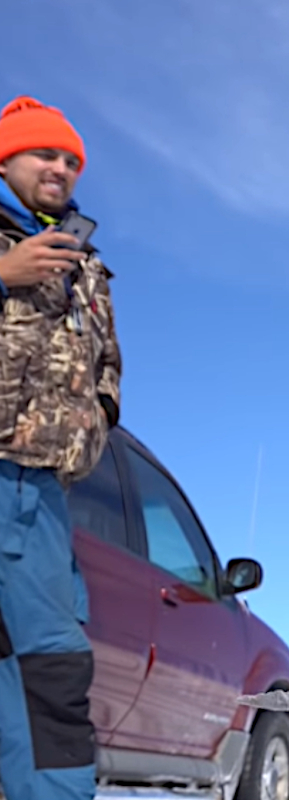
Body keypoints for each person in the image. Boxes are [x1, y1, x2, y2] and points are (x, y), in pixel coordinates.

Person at [0, 95, 122, 800]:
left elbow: (106, 363)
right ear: (5, 161)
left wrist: (99, 415)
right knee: (48, 658)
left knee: (46, 662)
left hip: (43, 487)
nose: (61, 167)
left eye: (71, 159)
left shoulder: (86, 261)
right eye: (43, 153)